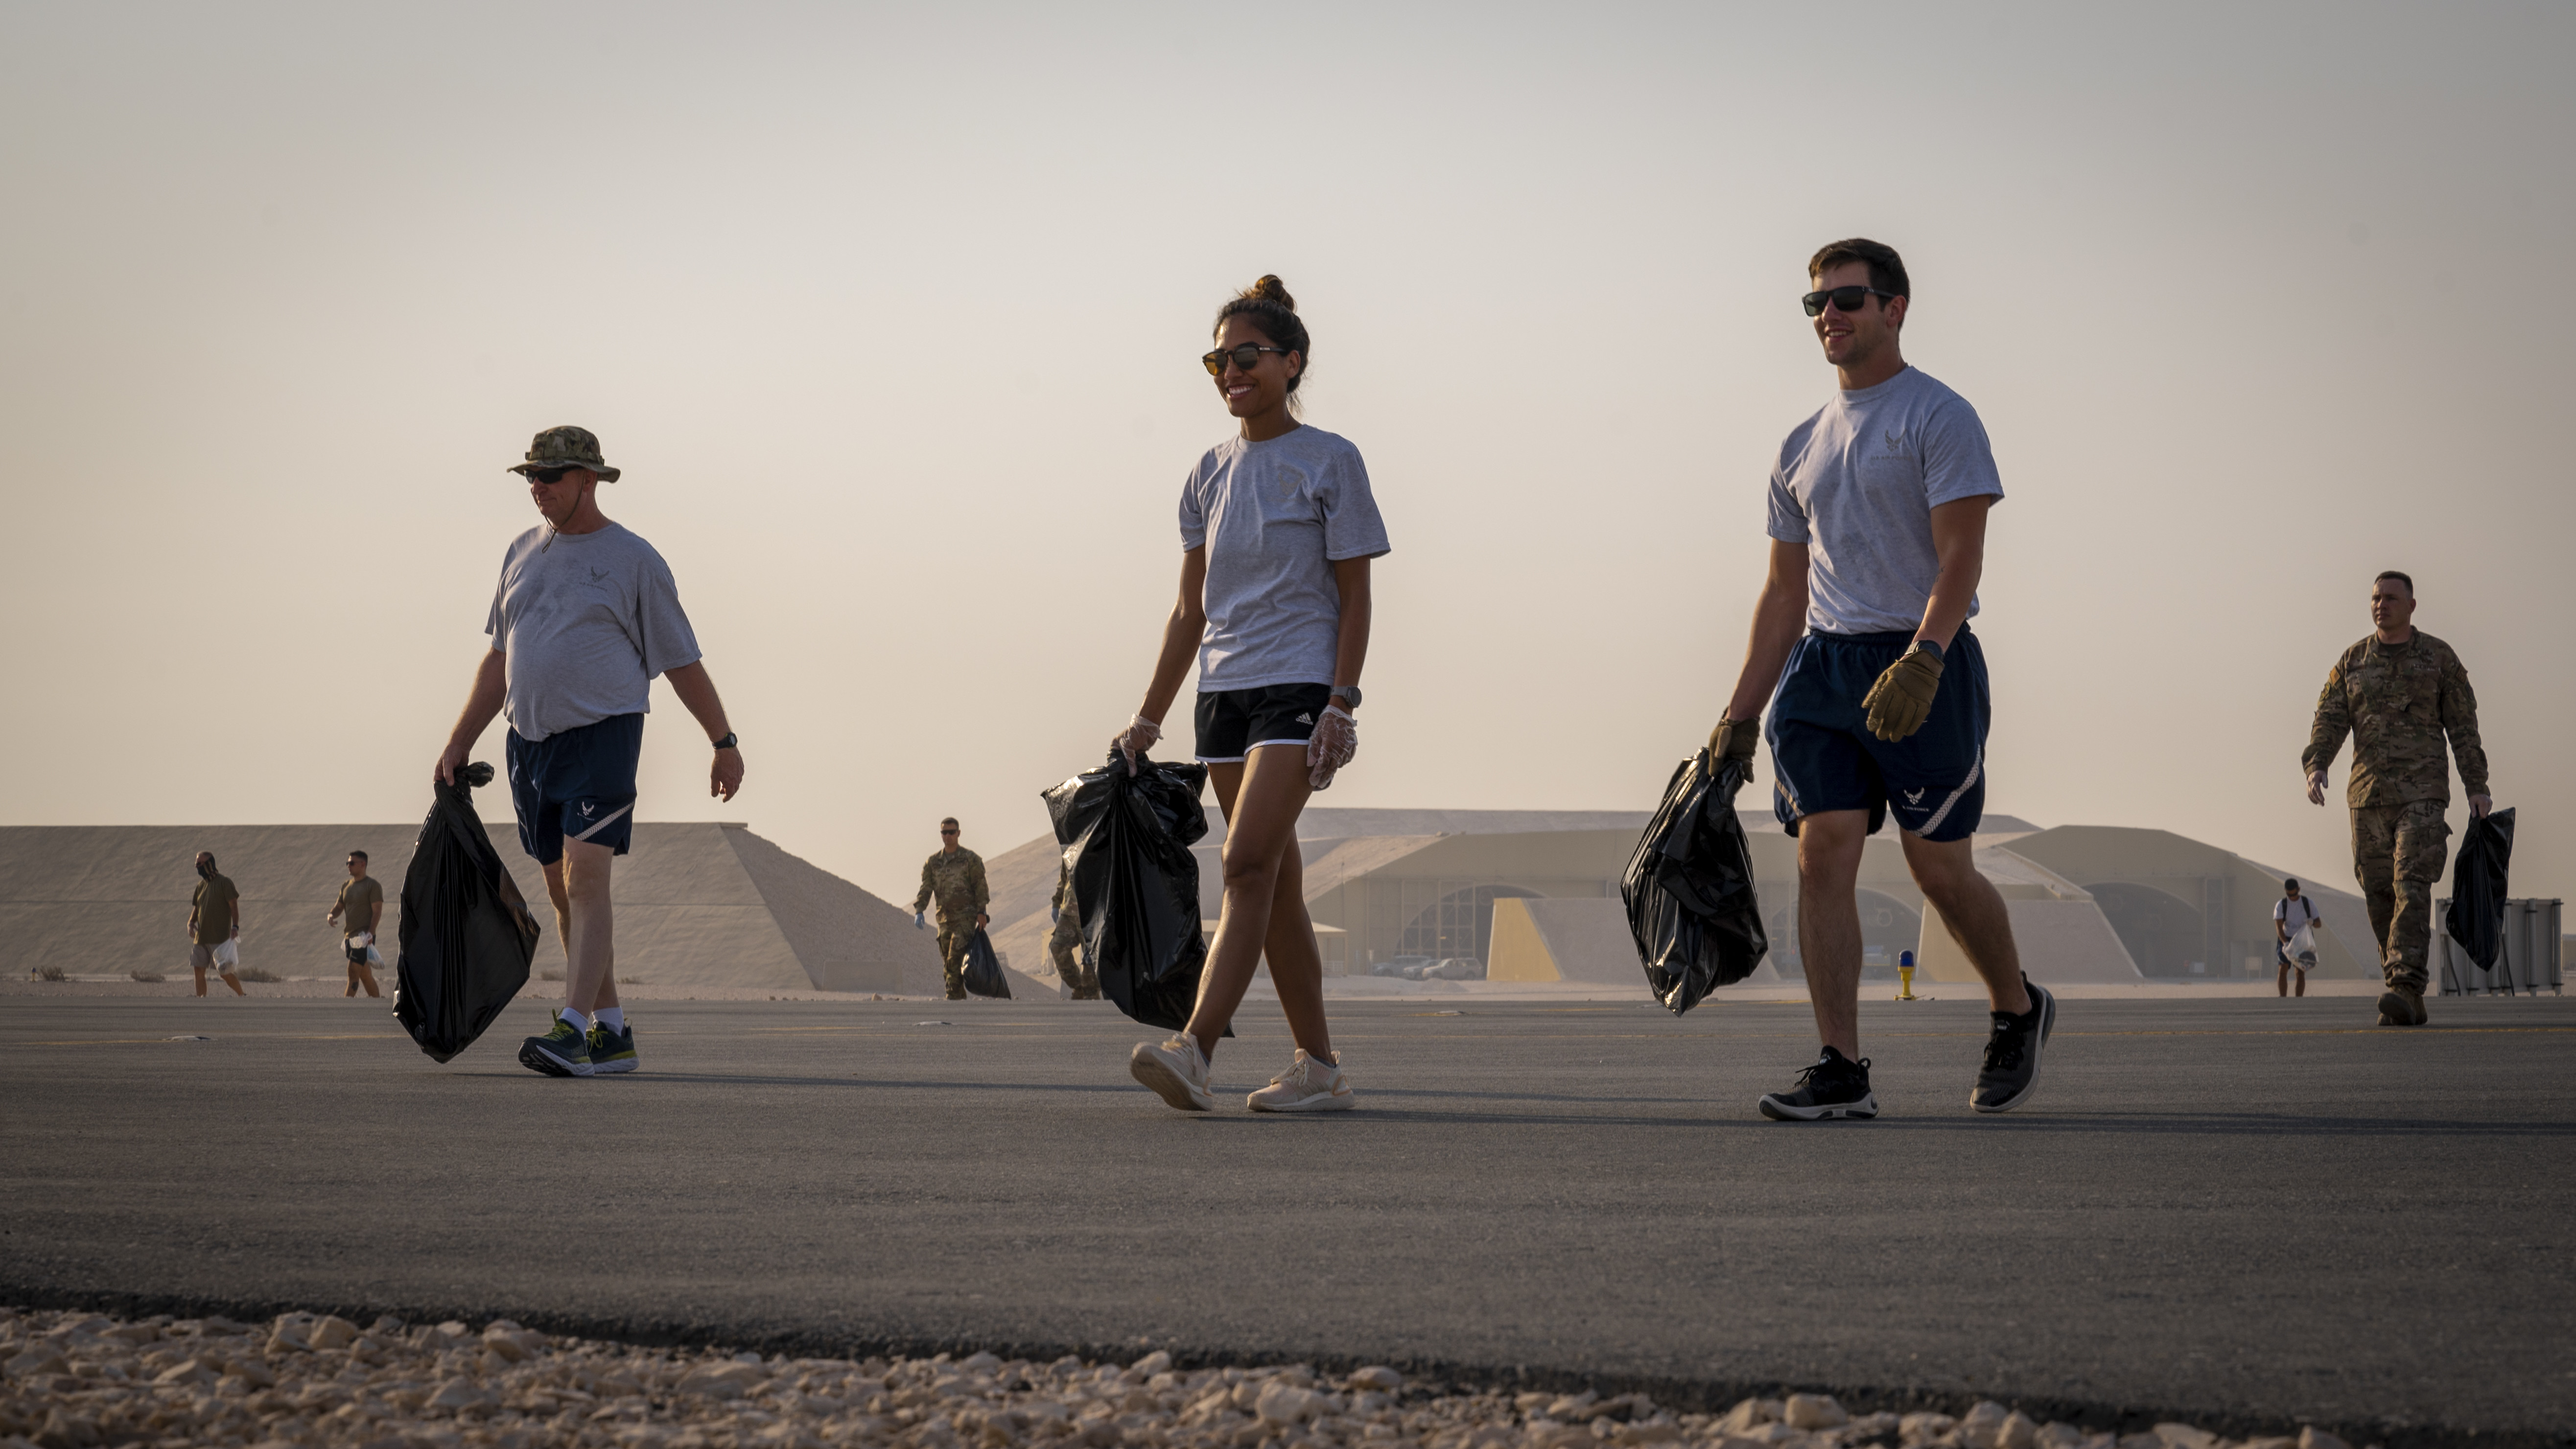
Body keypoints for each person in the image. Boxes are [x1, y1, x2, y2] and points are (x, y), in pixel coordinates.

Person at [1713, 238, 2053, 1122]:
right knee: (1821, 850)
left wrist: (1926, 657)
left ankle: (2015, 1007)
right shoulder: (1799, 444)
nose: (1830, 316)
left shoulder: (1938, 417)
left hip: (1922, 660)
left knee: (1937, 870)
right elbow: (1783, 592)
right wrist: (1738, 717)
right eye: (1817, 304)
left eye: (1849, 300)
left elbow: (1961, 555)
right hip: (1823, 669)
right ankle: (1841, 1068)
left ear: (1895, 308)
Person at [1120, 275, 1389, 1114]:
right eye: (1218, 359)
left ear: (1291, 362)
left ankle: (1195, 1051)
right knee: (1274, 884)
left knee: (1242, 867)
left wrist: (1342, 703)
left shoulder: (1330, 460)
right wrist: (1147, 717)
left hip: (1299, 684)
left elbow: (1356, 596)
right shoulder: (1206, 473)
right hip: (1223, 692)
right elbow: (1188, 610)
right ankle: (1319, 1066)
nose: (1231, 371)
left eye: (1248, 356)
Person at [434, 425, 745, 1078]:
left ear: (589, 480)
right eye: (531, 479)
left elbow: (680, 660)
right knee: (558, 886)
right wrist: (460, 740)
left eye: (550, 478)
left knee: (587, 877)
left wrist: (723, 742)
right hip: (529, 743)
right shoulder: (521, 553)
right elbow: (498, 659)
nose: (537, 490)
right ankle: (613, 1032)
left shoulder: (634, 560)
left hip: (603, 734)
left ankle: (572, 1029)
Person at [2303, 570, 2490, 1027]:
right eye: (2375, 598)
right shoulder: (2353, 661)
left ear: (2411, 605)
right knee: (2378, 892)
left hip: (2423, 793)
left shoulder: (2439, 659)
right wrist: (2316, 764)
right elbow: (2329, 718)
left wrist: (2477, 786)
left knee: (2412, 883)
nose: (2381, 605)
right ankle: (2404, 989)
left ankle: (2405, 984)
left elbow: (2464, 728)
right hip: (2366, 796)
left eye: (2390, 598)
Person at [911, 819, 990, 1001]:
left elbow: (980, 886)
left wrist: (982, 912)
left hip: (966, 918)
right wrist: (920, 910)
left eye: (951, 832)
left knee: (954, 958)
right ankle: (959, 1000)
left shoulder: (971, 859)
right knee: (948, 963)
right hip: (944, 920)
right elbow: (926, 888)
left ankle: (952, 998)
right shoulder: (933, 862)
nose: (948, 836)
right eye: (944, 833)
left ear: (959, 833)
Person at [325, 850, 385, 998]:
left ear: (363, 864)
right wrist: (331, 915)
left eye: (352, 863)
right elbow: (339, 907)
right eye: (348, 863)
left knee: (353, 970)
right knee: (365, 975)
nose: (348, 866)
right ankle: (377, 1003)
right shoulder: (346, 885)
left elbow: (377, 911)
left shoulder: (372, 886)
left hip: (364, 937)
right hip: (349, 937)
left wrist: (371, 933)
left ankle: (346, 1006)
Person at [186, 851, 246, 997]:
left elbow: (234, 906)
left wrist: (235, 926)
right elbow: (197, 907)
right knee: (198, 970)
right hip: (201, 938)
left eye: (200, 864)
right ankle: (202, 1001)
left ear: (209, 864)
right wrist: (190, 923)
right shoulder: (201, 886)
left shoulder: (224, 882)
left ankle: (242, 996)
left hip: (220, 938)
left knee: (224, 972)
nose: (197, 867)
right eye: (196, 864)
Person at [1046, 859, 1101, 999]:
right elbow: (1064, 878)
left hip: (1092, 914)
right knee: (1058, 949)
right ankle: (1079, 987)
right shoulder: (1070, 849)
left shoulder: (1100, 845)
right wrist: (1056, 902)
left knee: (1092, 958)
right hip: (1069, 913)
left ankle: (1091, 994)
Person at [2273, 877, 2320, 998]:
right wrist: (2285, 943)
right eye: (2289, 895)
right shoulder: (2281, 905)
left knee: (2300, 971)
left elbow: (2319, 924)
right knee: (2283, 968)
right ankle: (2282, 997)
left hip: (2303, 940)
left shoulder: (2308, 903)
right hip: (2287, 938)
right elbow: (2279, 927)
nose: (2292, 897)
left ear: (2299, 890)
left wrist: (2312, 923)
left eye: (2294, 894)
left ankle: (2299, 999)